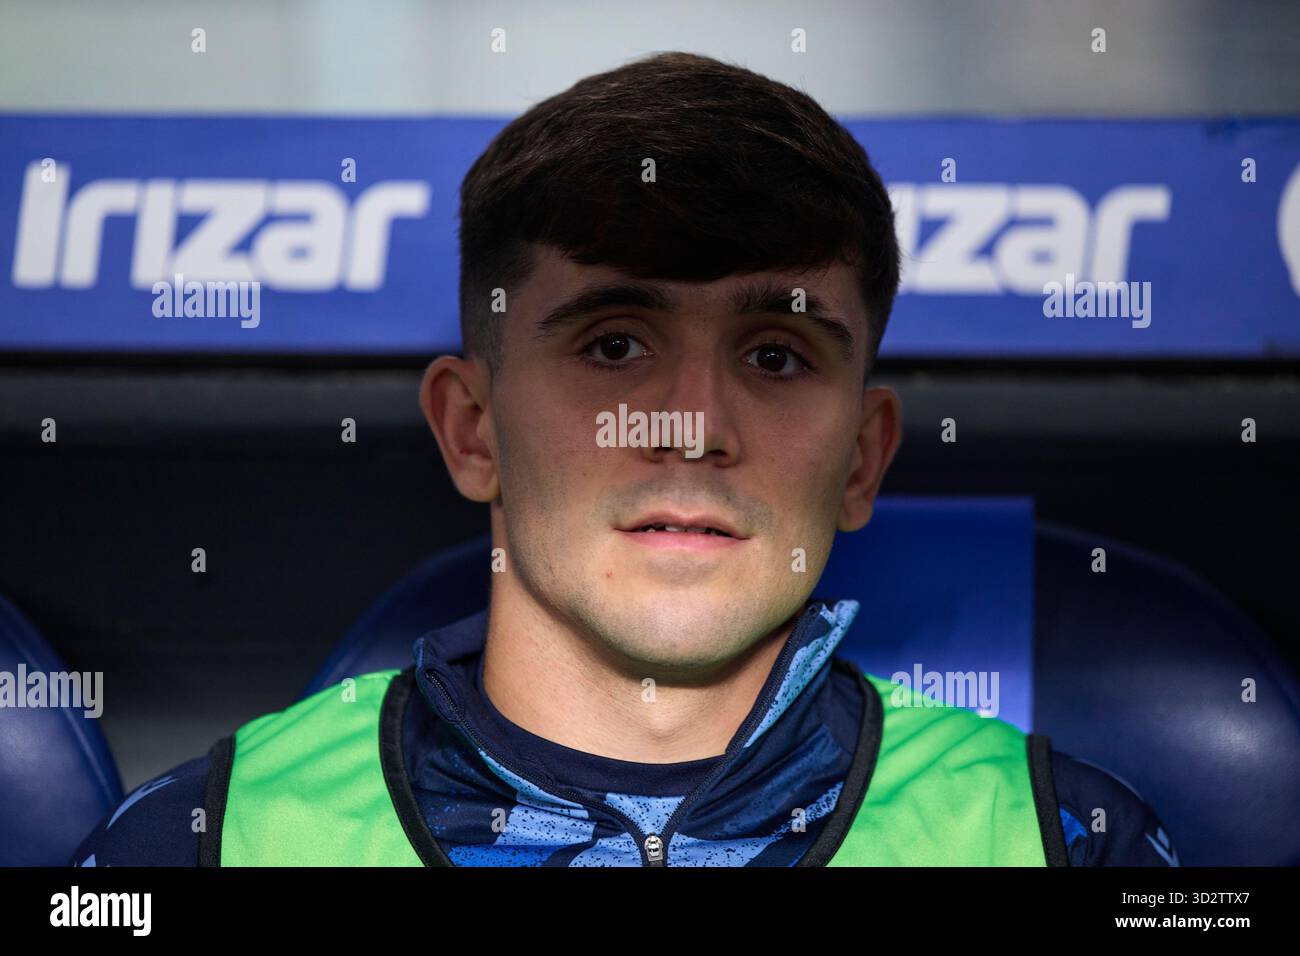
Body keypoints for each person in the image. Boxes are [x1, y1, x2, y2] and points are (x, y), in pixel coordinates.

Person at [71, 51, 1178, 867]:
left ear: (861, 459)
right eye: (612, 344)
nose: (687, 423)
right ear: (473, 428)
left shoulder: (1068, 840)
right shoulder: (200, 842)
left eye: (776, 354)